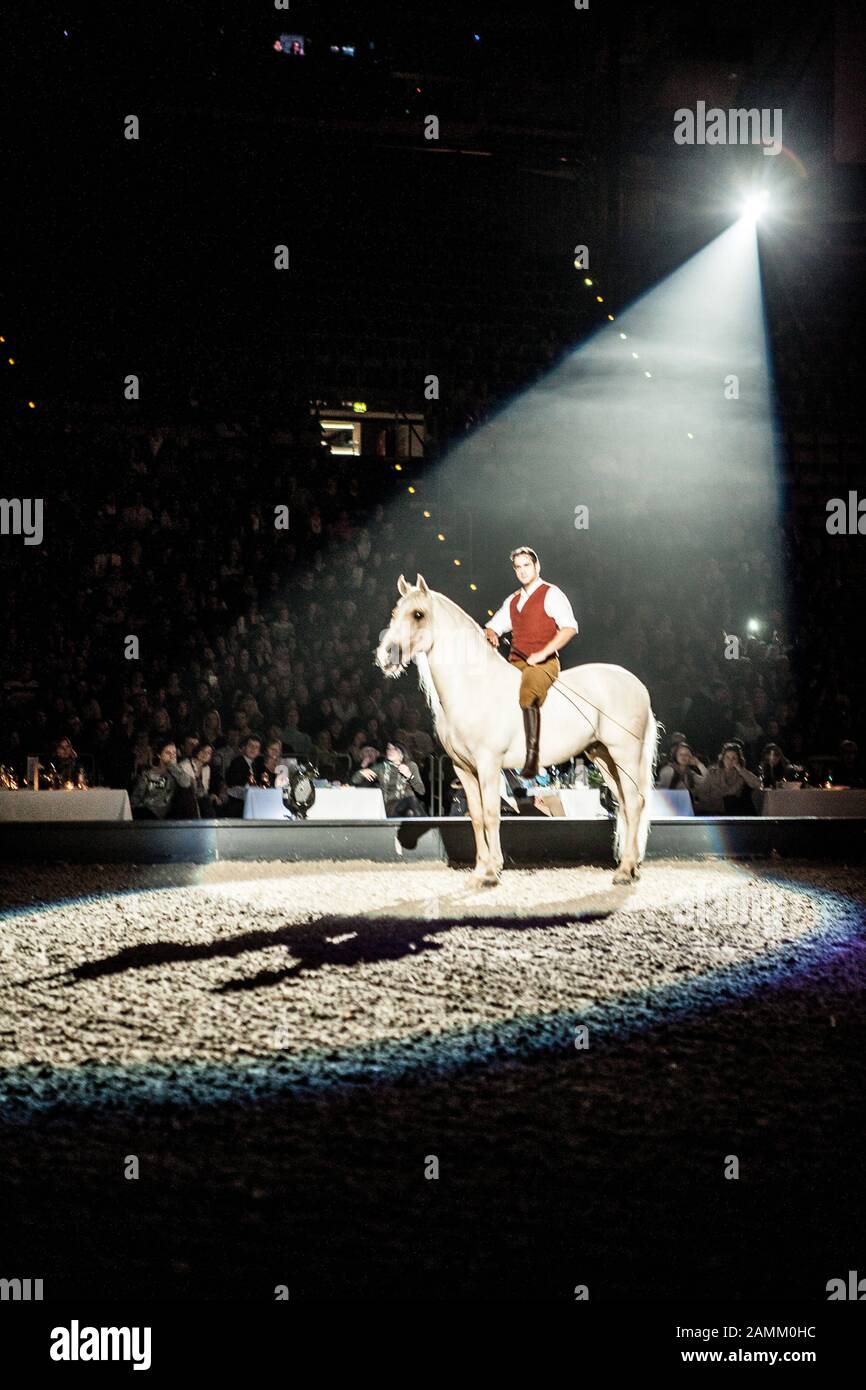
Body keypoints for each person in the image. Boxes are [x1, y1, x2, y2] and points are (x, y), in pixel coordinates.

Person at [484, 546, 578, 779]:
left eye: (527, 565)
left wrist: (543, 652)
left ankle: (533, 757)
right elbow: (493, 625)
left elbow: (569, 628)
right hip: (516, 662)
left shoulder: (551, 593)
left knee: (528, 689)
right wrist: (492, 634)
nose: (522, 571)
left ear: (537, 566)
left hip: (543, 663)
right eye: (518, 567)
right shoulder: (513, 600)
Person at [351, 740, 425, 816]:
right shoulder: (382, 767)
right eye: (388, 748)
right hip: (390, 805)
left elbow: (421, 791)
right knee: (411, 803)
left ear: (402, 753)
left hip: (409, 803)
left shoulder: (411, 765)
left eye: (395, 749)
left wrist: (410, 776)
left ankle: (422, 824)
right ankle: (426, 825)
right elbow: (354, 780)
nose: (390, 751)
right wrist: (361, 772)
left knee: (411, 808)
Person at [131, 739, 193, 819]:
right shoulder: (148, 774)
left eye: (174, 753)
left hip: (164, 812)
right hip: (145, 810)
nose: (172, 756)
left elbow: (186, 783)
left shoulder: (176, 773)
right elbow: (136, 797)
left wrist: (172, 766)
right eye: (168, 753)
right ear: (159, 755)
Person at [694, 742, 761, 815]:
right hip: (713, 806)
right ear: (723, 758)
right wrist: (712, 805)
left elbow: (757, 784)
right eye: (727, 757)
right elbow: (702, 792)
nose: (730, 761)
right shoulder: (713, 772)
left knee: (732, 800)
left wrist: (740, 769)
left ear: (738, 760)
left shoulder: (741, 775)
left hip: (732, 808)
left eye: (734, 758)